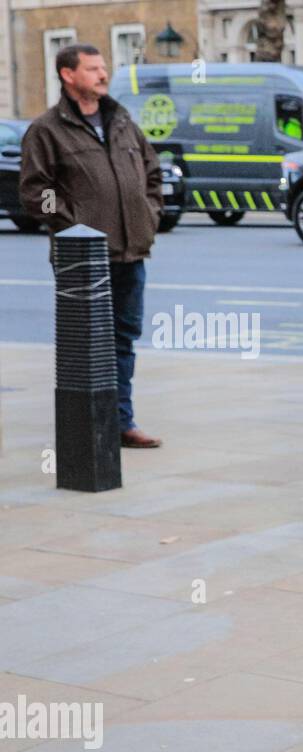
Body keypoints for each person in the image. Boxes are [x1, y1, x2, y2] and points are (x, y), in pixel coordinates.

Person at [20, 42, 164, 448]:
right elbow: (36, 194)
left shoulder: (121, 122)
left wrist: (149, 215)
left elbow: (152, 174)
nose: (103, 74)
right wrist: (77, 228)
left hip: (131, 251)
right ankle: (89, 425)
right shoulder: (47, 130)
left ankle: (121, 422)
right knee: (87, 342)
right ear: (68, 75)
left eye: (104, 68)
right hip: (82, 260)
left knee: (123, 338)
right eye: (93, 69)